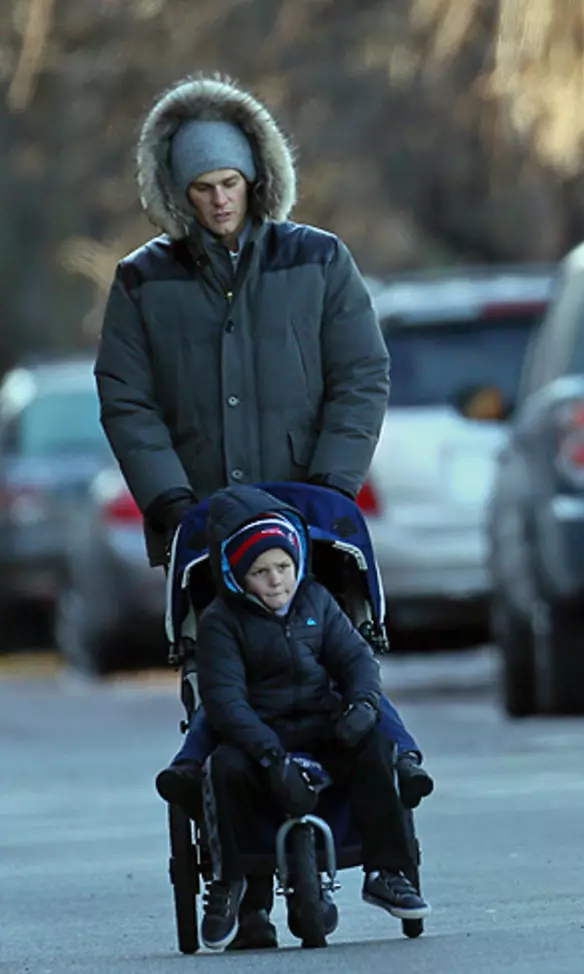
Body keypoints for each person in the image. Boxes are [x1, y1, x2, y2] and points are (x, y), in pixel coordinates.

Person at [92, 73, 433, 819]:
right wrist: (172, 497)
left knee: (333, 655)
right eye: (203, 187)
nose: (219, 200)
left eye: (231, 183)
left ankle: (372, 795)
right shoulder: (144, 282)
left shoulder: (316, 262)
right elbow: (126, 397)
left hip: (310, 511)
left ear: (256, 178)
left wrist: (334, 481)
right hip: (204, 517)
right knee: (223, 668)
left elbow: (360, 374)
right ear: (177, 193)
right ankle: (235, 839)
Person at [195, 485, 429, 950]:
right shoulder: (222, 622)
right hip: (262, 737)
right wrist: (269, 754)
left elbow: (356, 661)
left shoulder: (318, 601)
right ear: (240, 577)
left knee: (374, 748)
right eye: (260, 572)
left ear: (297, 563)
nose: (276, 581)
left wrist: (362, 707)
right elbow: (225, 699)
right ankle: (232, 882)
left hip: (323, 726)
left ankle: (386, 870)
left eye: (283, 567)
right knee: (224, 767)